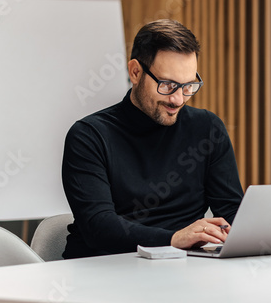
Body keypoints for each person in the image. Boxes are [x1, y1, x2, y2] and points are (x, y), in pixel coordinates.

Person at [61, 19, 243, 259]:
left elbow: (232, 211)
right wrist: (174, 240)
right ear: (135, 72)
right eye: (168, 85)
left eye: (188, 86)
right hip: (104, 269)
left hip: (181, 268)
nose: (178, 99)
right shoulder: (89, 136)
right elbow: (99, 227)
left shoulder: (207, 128)